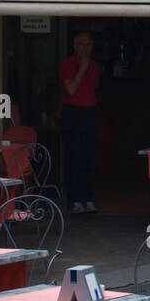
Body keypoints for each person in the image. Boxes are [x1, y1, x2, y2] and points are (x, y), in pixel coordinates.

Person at [59, 31, 101, 214]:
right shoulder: (67, 65)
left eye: (89, 44)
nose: (85, 48)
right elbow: (70, 89)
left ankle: (87, 198)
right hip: (72, 113)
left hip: (89, 112)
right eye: (82, 44)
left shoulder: (96, 66)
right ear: (75, 46)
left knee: (88, 158)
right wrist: (82, 68)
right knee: (73, 158)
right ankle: (74, 200)